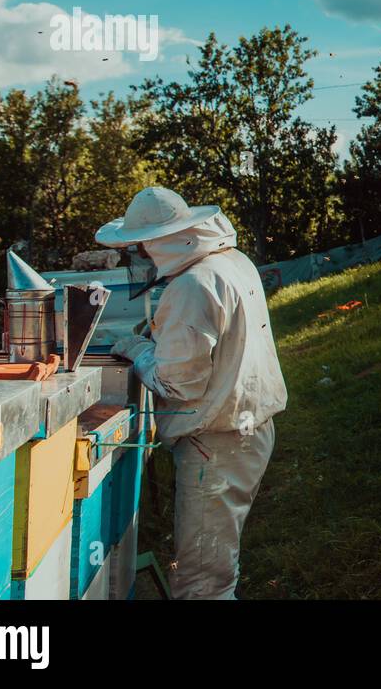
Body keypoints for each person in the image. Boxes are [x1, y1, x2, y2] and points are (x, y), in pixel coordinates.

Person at [97, 187, 288, 599]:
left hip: (215, 446)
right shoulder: (232, 262)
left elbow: (178, 383)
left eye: (141, 249)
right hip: (246, 431)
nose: (141, 259)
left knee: (203, 583)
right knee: (216, 567)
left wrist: (138, 350)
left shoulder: (191, 286)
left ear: (160, 243)